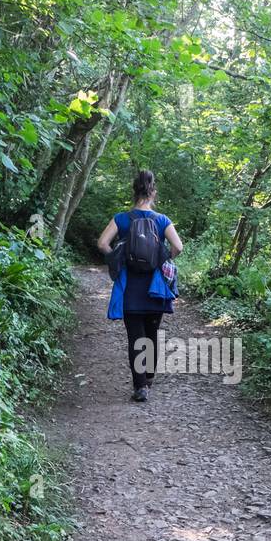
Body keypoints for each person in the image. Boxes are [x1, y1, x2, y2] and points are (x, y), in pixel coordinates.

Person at [96, 169, 184, 402]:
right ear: (153, 193)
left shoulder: (122, 219)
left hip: (130, 288)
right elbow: (179, 247)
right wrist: (163, 259)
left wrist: (118, 257)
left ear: (134, 192)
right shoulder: (162, 220)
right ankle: (150, 376)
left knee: (135, 337)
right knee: (152, 333)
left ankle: (140, 386)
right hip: (155, 289)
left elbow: (102, 243)